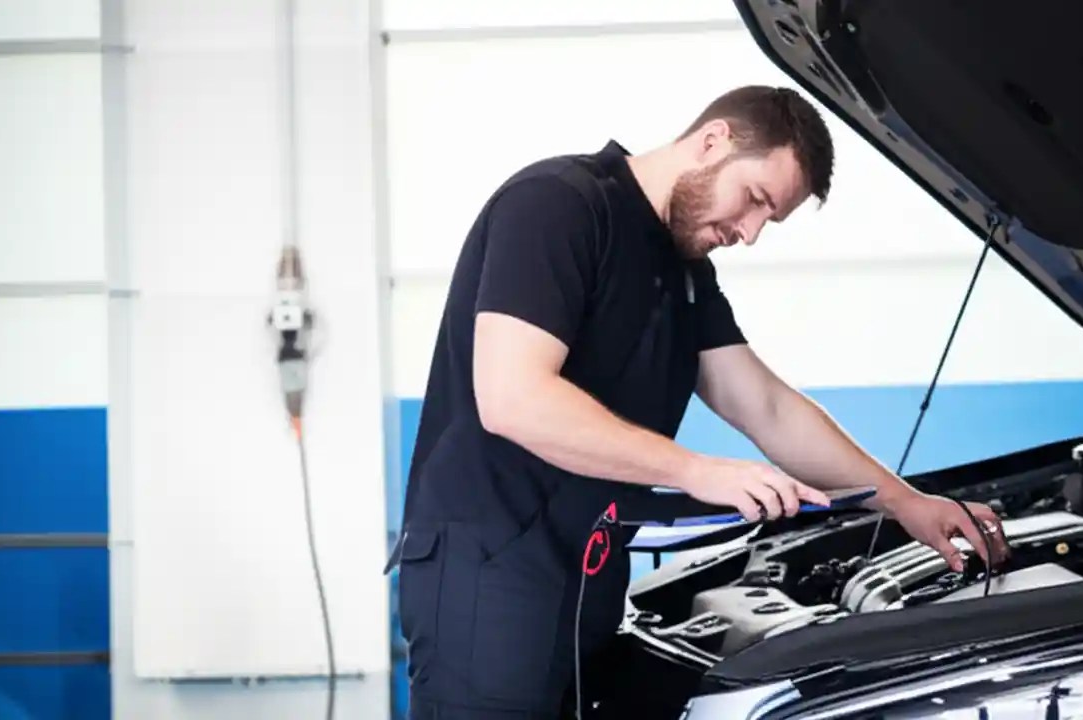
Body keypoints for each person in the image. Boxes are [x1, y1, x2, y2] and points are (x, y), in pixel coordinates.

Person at [392, 85, 1010, 719]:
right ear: (714, 140)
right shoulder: (558, 206)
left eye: (768, 221)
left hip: (586, 581)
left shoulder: (681, 269)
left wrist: (905, 502)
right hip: (489, 579)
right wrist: (697, 470)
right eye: (754, 201)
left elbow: (764, 405)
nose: (749, 234)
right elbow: (513, 398)